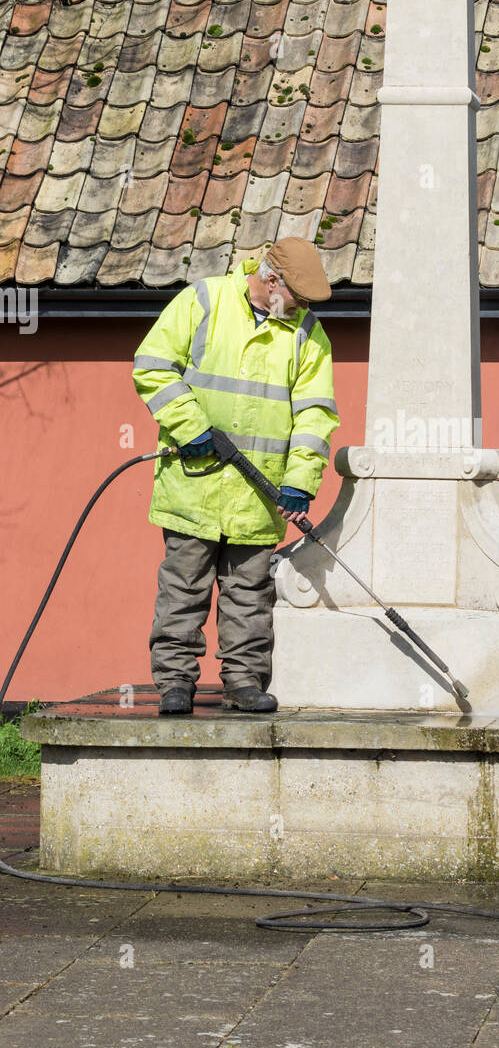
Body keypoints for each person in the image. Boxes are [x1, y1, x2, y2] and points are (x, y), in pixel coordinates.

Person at [132, 237, 339, 715]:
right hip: (194, 484)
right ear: (271, 281)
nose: (304, 309)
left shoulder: (308, 333)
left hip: (259, 495)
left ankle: (244, 683)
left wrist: (300, 481)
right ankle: (175, 684)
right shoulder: (203, 300)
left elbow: (316, 414)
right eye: (299, 298)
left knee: (249, 595)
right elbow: (152, 366)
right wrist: (191, 427)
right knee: (183, 589)